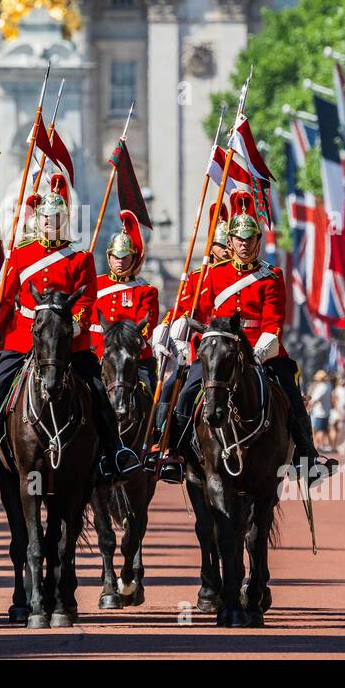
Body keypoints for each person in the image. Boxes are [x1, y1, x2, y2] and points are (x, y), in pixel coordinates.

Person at [0, 173, 141, 484]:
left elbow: (87, 298)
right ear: (37, 221)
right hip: (23, 335)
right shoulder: (21, 254)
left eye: (56, 219)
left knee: (96, 388)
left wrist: (78, 326)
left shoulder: (80, 258)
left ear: (64, 221)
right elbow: (4, 297)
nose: (50, 224)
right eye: (45, 219)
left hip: (67, 341)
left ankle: (113, 452)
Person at [160, 191, 338, 480]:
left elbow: (274, 319)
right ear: (230, 243)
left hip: (261, 351)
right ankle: (174, 454)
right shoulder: (214, 274)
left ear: (257, 241)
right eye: (238, 240)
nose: (244, 245)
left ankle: (307, 459)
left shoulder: (271, 276)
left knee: (290, 394)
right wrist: (180, 325)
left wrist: (265, 344)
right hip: (220, 351)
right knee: (187, 391)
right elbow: (199, 310)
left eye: (249, 239)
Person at [150, 202, 230, 482]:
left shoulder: (248, 273)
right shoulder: (199, 278)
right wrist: (169, 325)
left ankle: (303, 452)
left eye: (228, 244)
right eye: (220, 245)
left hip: (246, 350)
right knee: (177, 391)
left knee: (285, 386)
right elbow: (184, 309)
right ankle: (172, 451)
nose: (226, 250)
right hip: (206, 355)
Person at [91, 209, 161, 397]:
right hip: (97, 353)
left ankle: (154, 426)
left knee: (149, 392)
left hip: (132, 357)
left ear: (133, 258)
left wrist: (132, 344)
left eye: (125, 257)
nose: (120, 262)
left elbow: (148, 324)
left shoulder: (146, 291)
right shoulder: (95, 284)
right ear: (109, 257)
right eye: (116, 257)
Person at [308, 370, 333, 454]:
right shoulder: (328, 385)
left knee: (318, 430)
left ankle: (317, 446)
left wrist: (309, 407)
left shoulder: (322, 387)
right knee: (322, 430)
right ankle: (320, 446)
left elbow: (314, 400)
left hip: (319, 412)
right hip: (325, 411)